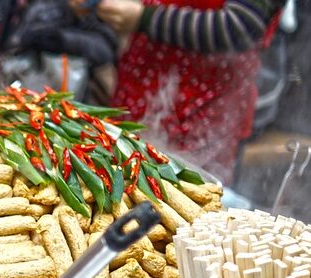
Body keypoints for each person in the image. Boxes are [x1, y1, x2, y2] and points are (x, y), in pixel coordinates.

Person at [73, 0, 287, 184]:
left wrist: (143, 18)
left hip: (205, 113)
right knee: (122, 183)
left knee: (187, 204)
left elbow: (241, 27)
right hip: (141, 92)